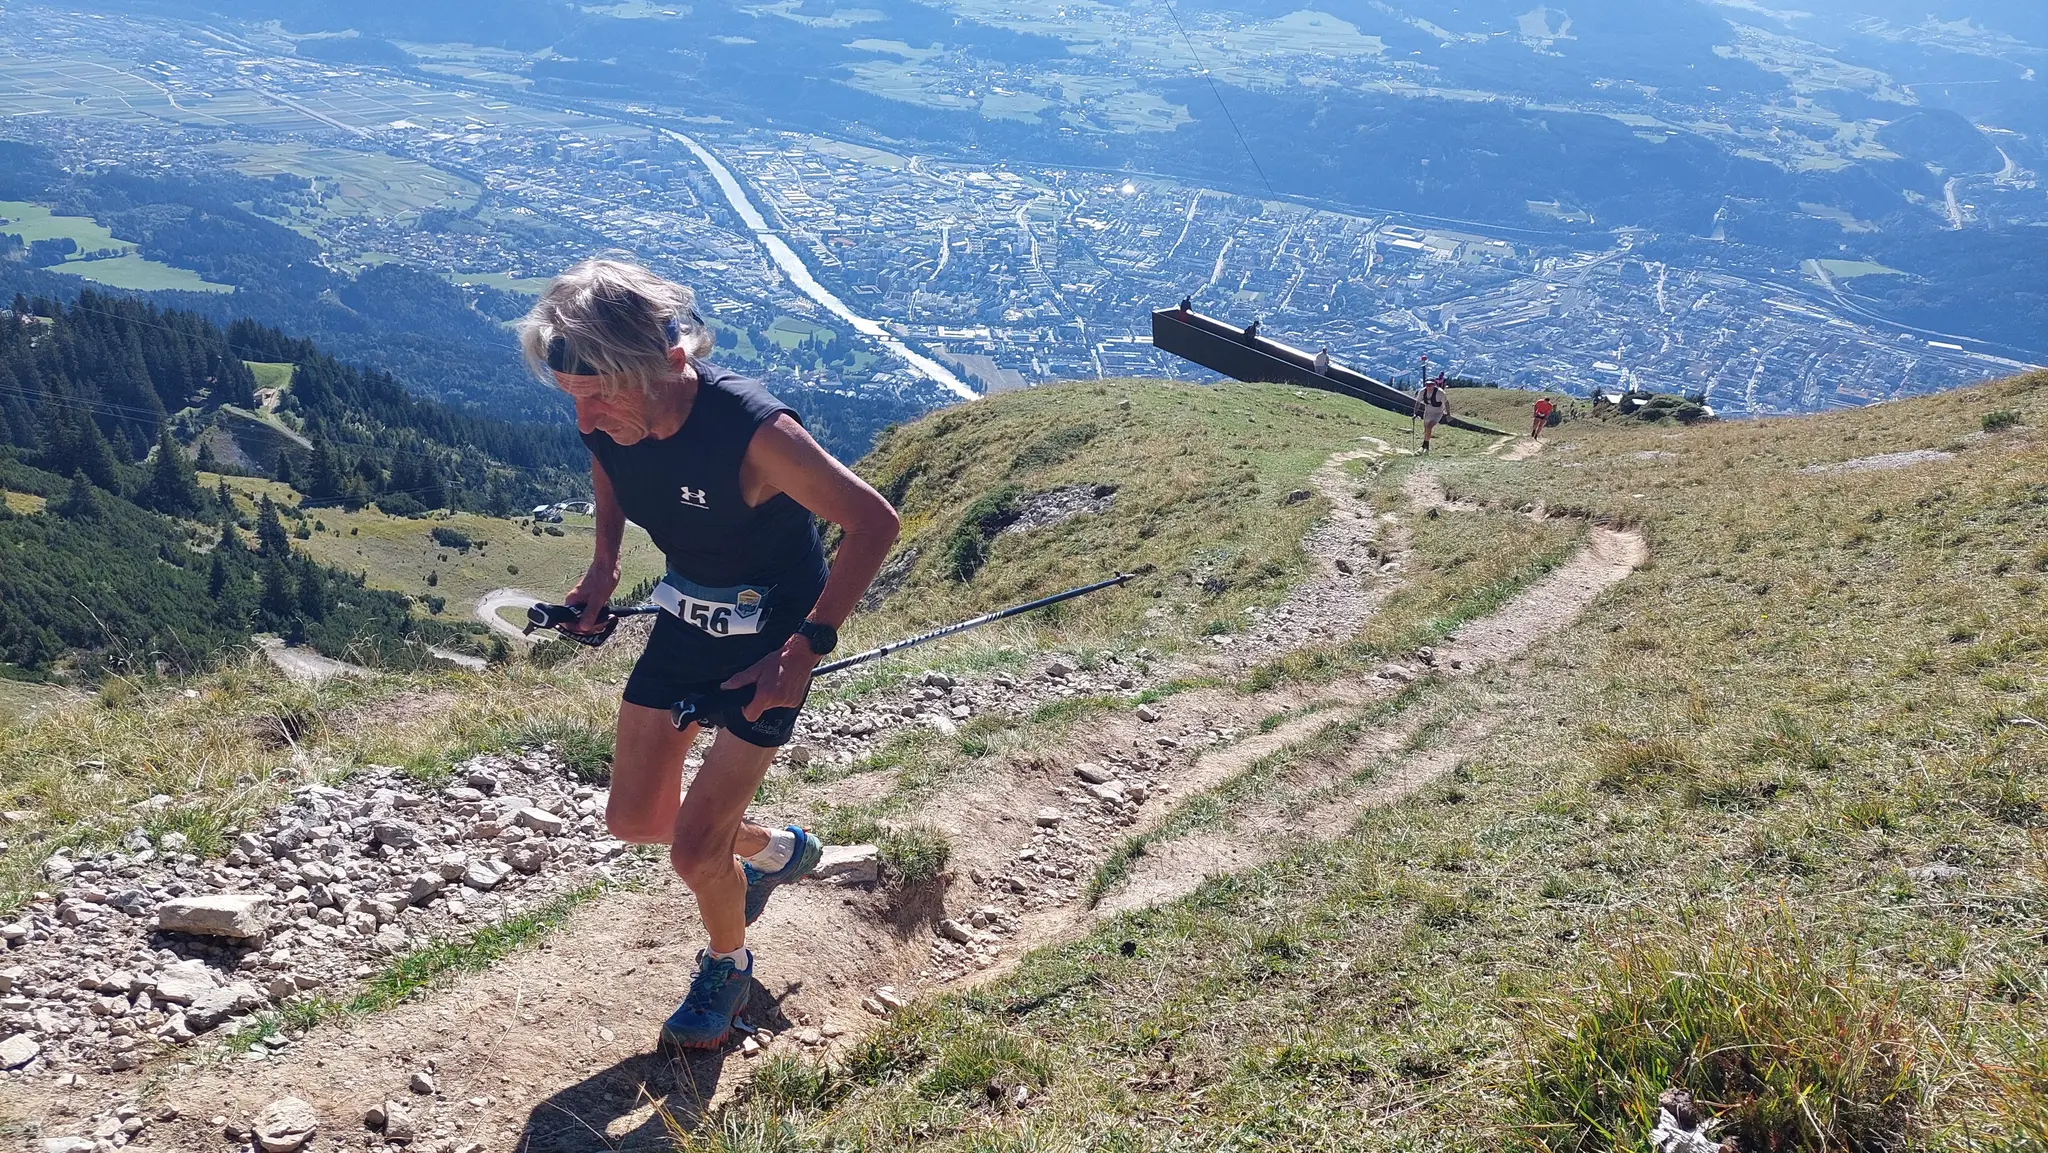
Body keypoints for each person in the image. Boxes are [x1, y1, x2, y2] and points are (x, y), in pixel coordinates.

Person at [518, 259, 901, 1050]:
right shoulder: (608, 411)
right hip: (688, 612)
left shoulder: (753, 432)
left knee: (693, 850)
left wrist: (805, 648)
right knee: (636, 818)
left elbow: (875, 524)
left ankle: (728, 965)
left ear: (666, 364)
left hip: (773, 634)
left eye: (598, 398)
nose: (585, 419)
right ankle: (773, 851)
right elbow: (609, 470)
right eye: (573, 400)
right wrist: (602, 567)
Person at [1415, 376, 1450, 453]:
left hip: (1438, 413)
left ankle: (1424, 447)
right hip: (1428, 412)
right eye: (1427, 384)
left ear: (1434, 385)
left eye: (1430, 384)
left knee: (1429, 427)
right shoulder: (1422, 392)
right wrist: (1415, 413)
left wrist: (1448, 414)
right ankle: (1425, 447)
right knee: (1426, 430)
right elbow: (1418, 402)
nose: (1428, 386)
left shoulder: (1440, 393)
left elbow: (1446, 403)